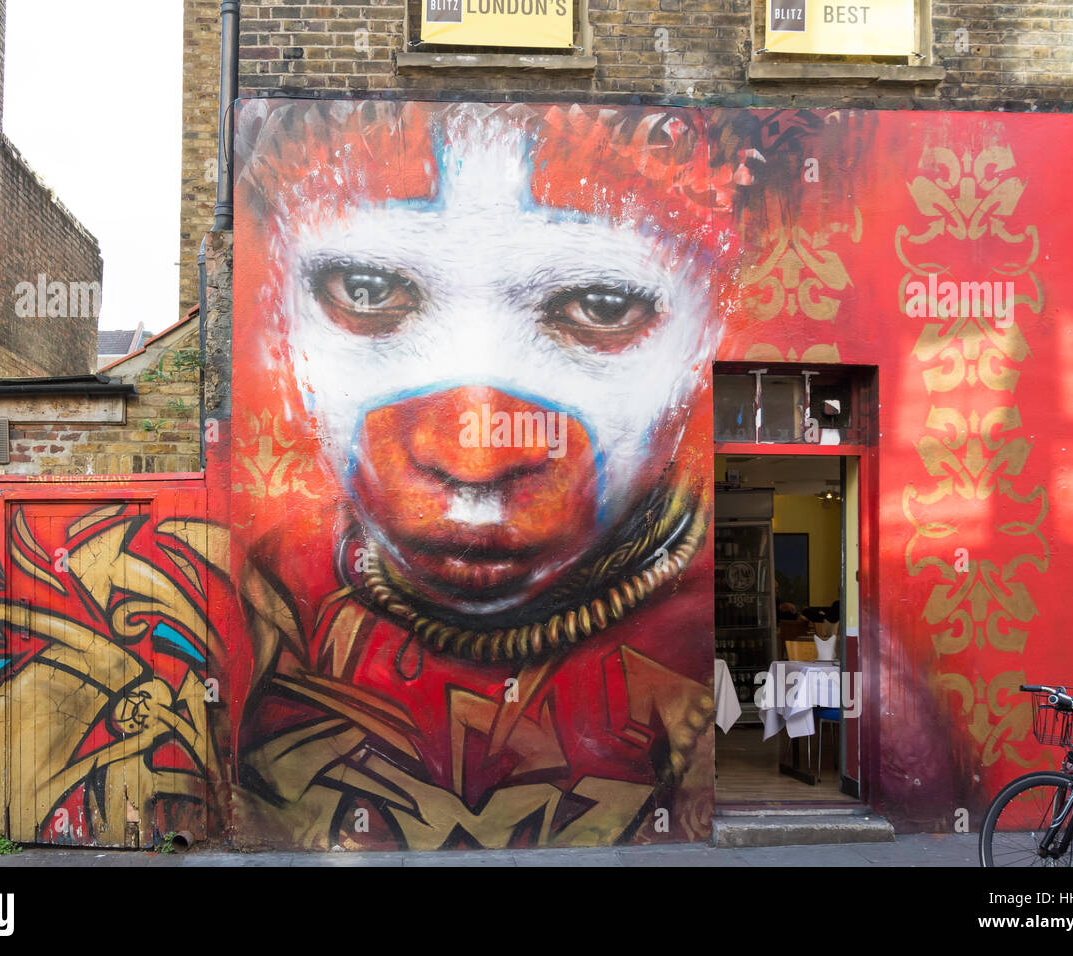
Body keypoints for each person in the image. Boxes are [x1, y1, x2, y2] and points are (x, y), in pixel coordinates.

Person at [230, 100, 741, 849]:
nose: (474, 458)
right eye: (367, 292)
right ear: (277, 311)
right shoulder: (256, 603)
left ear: (713, 331)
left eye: (600, 305)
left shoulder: (708, 629)